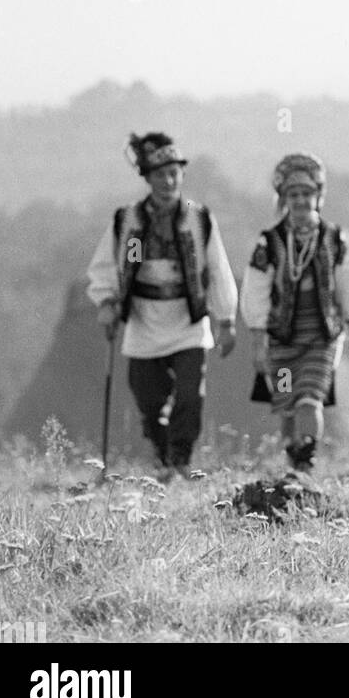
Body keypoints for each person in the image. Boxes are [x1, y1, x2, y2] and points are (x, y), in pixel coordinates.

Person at [86, 132, 238, 476]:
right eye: (160, 175)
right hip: (144, 320)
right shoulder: (129, 222)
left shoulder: (199, 220)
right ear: (147, 178)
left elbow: (217, 268)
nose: (168, 181)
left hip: (188, 322)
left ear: (182, 175)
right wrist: (107, 301)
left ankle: (181, 459)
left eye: (174, 173)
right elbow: (107, 265)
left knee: (189, 395)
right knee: (149, 399)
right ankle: (162, 452)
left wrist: (226, 319)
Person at [240, 153, 349, 472]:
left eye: (307, 194)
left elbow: (345, 283)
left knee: (310, 398)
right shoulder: (269, 242)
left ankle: (306, 463)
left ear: (318, 197)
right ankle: (292, 464)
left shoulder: (334, 239)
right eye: (293, 195)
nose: (301, 201)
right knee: (287, 406)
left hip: (322, 336)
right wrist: (258, 341)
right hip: (282, 339)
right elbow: (256, 290)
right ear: (283, 199)